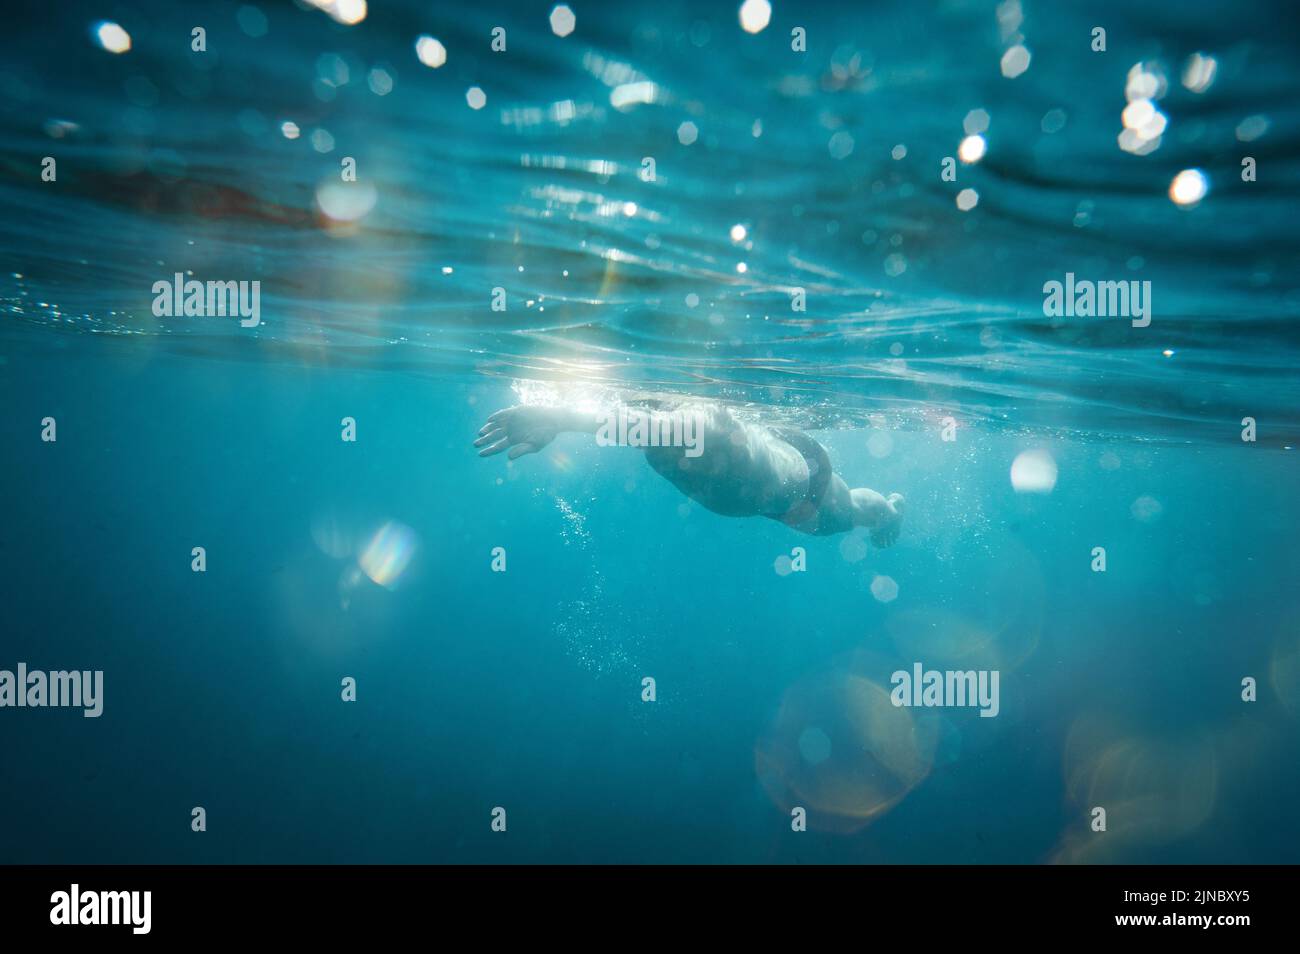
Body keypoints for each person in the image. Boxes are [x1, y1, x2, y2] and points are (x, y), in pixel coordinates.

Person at [475, 401, 905, 544]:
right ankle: (885, 513)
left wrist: (560, 418)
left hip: (809, 485)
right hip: (776, 501)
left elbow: (639, 425)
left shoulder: (703, 425)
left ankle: (891, 512)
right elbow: (630, 423)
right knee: (839, 519)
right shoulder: (664, 437)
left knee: (847, 514)